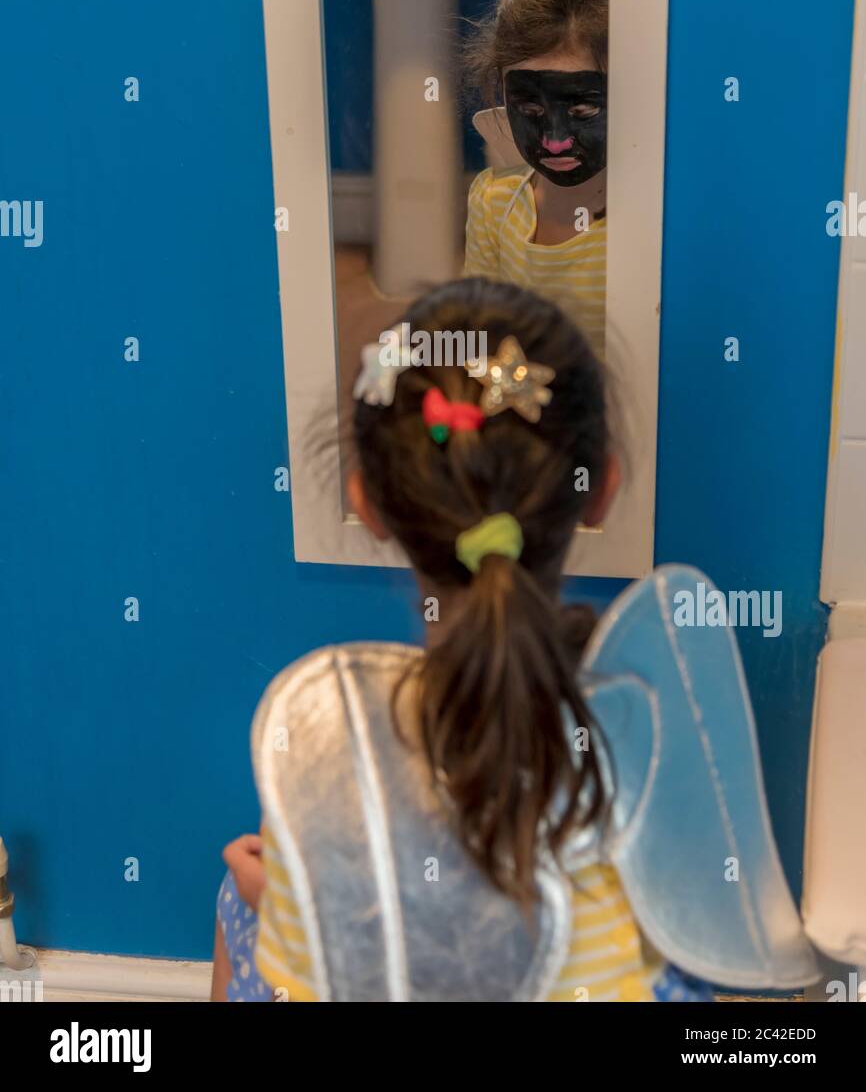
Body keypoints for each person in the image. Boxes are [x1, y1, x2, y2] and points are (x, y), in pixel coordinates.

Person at [213, 277, 816, 1002]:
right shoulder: (666, 758)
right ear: (602, 489)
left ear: (366, 502)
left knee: (236, 901)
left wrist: (282, 898)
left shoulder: (324, 781)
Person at [464, 0, 609, 356]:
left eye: (582, 110)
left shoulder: (651, 227)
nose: (556, 141)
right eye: (530, 110)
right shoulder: (494, 204)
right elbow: (478, 334)